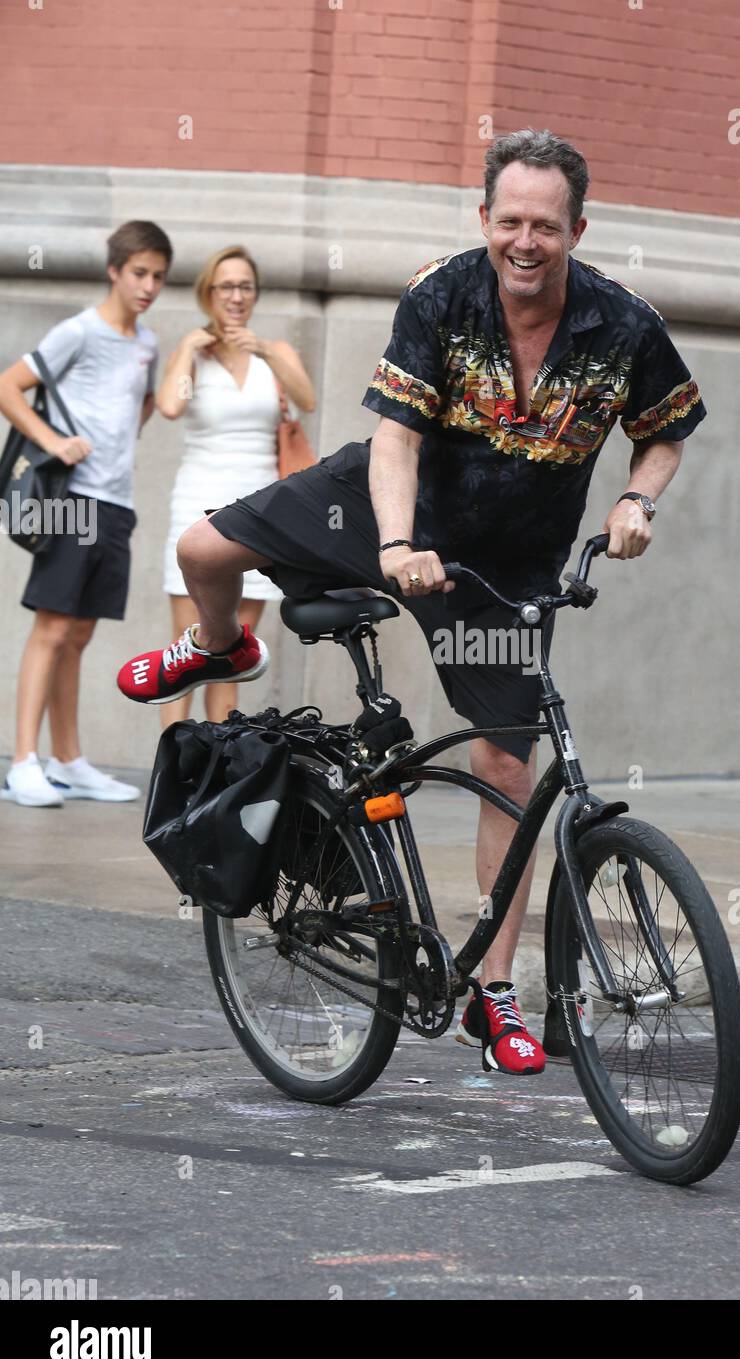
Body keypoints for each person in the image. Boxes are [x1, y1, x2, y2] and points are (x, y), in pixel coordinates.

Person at [117, 130, 706, 1074]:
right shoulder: (440, 293)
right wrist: (395, 545)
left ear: (577, 229)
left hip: (506, 565)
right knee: (201, 548)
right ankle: (222, 647)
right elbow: (393, 438)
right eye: (508, 220)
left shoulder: (623, 324)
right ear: (484, 219)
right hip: (393, 513)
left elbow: (666, 430)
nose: (524, 240)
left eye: (544, 226)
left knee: (507, 768)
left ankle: (496, 997)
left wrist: (639, 497)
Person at [0, 220, 170, 808]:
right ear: (115, 271)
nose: (149, 286)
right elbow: (8, 386)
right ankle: (23, 760)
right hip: (71, 502)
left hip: (116, 504)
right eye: (139, 273)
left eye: (158, 277)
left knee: (78, 634)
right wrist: (52, 441)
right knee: (51, 628)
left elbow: (143, 405)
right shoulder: (80, 331)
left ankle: (68, 760)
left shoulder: (147, 343)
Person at [155, 245, 315, 727]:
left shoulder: (276, 352)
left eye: (245, 286)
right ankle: (175, 776)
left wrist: (264, 350)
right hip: (196, 503)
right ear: (209, 292)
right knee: (186, 649)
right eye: (226, 286)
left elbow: (306, 399)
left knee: (231, 654)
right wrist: (187, 347)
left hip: (257, 512)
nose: (236, 296)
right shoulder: (193, 356)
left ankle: (218, 780)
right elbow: (169, 405)